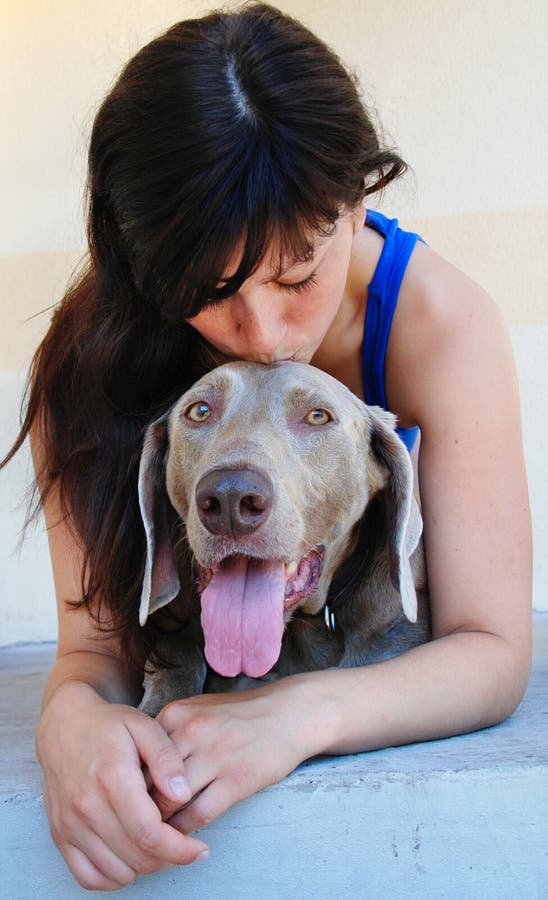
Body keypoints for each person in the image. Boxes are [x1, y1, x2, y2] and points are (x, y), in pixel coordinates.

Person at [3, 2, 532, 891]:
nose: (263, 332)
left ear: (360, 197)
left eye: (297, 276)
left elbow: (493, 649)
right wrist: (70, 728)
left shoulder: (440, 324)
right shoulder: (91, 362)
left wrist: (298, 715)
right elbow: (89, 657)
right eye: (210, 290)